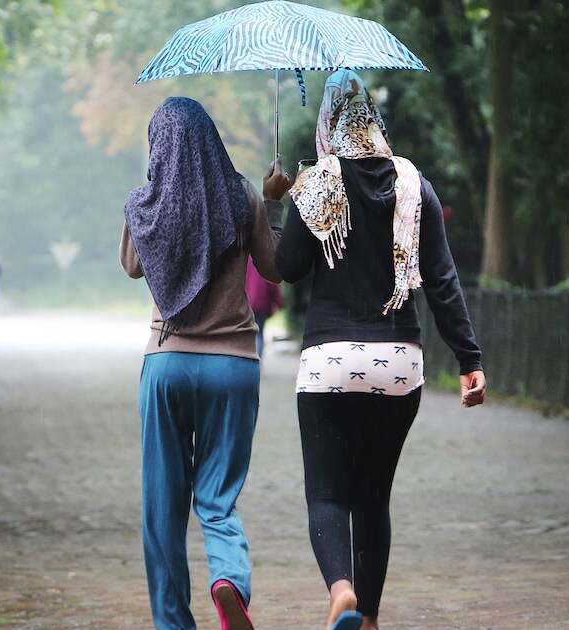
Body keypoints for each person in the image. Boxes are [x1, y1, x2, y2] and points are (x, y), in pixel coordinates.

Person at [272, 70, 487, 630]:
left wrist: (280, 203)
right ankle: (367, 620)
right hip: (398, 363)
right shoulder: (413, 184)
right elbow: (441, 280)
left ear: (327, 121)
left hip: (329, 362)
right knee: (372, 497)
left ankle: (341, 591)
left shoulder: (318, 182)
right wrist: (469, 360)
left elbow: (287, 270)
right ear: (372, 117)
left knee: (327, 492)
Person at [120, 96, 284, 630]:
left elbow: (130, 267)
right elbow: (276, 268)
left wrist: (148, 198)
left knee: (162, 509)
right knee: (216, 497)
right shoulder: (242, 197)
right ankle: (229, 580)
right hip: (232, 365)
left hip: (167, 363)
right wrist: (273, 200)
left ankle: (173, 623)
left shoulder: (147, 200)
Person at [245, 258, 284, 357]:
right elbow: (273, 284)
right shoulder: (264, 261)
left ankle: (248, 357)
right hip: (261, 304)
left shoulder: (245, 261)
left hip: (246, 303)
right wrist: (279, 303)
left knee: (248, 334)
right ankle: (257, 360)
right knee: (259, 333)